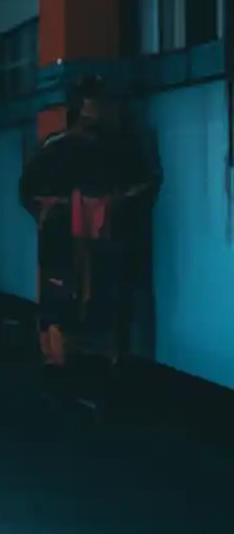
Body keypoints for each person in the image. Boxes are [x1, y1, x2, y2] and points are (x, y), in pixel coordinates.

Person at [19, 75, 160, 414]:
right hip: (61, 248)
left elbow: (145, 187)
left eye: (103, 102)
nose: (99, 109)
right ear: (78, 107)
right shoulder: (56, 148)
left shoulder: (122, 151)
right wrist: (58, 211)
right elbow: (28, 193)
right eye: (93, 102)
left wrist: (110, 206)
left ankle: (100, 383)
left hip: (107, 246)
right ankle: (57, 377)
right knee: (59, 308)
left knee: (105, 308)